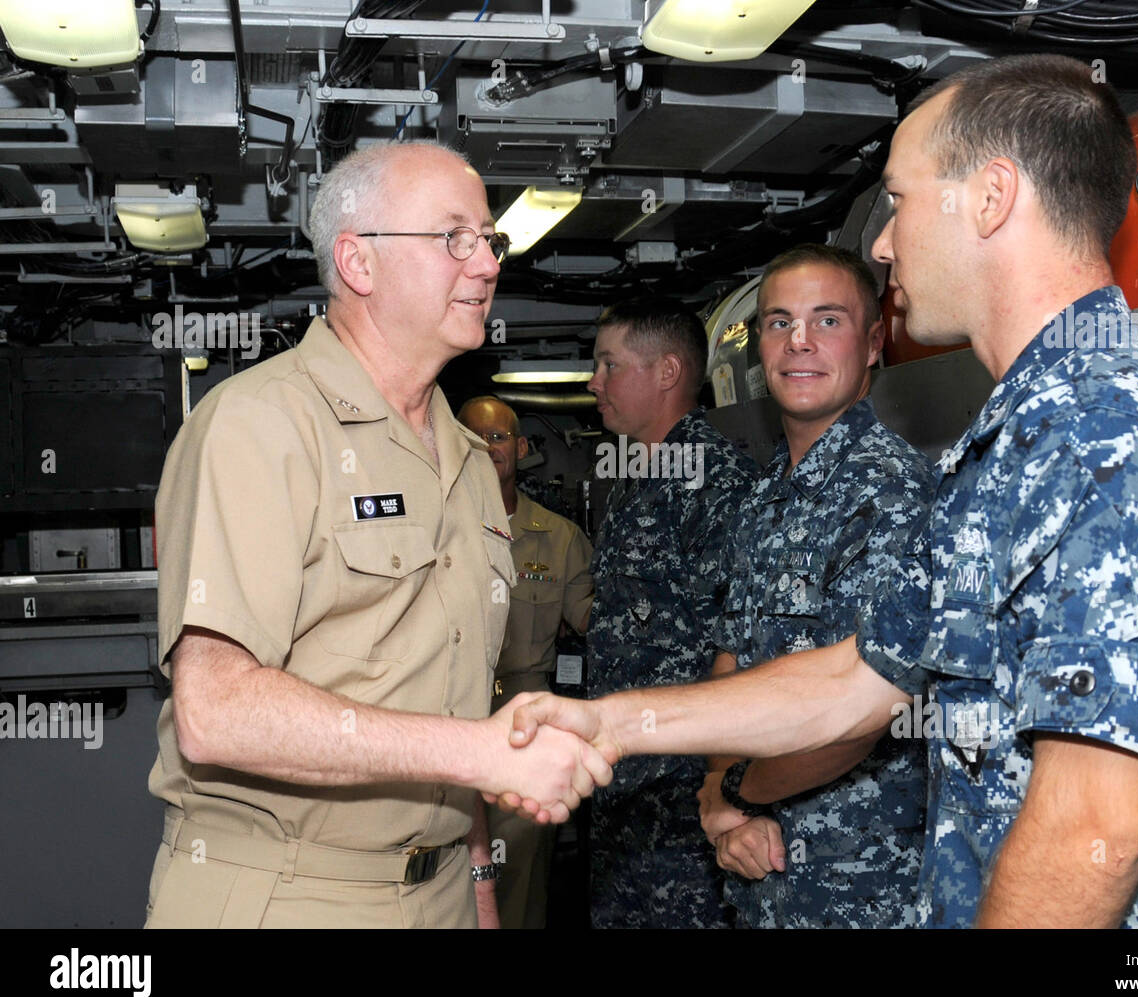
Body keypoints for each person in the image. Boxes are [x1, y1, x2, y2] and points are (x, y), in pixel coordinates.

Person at [502, 54, 1138, 928]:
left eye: (902, 200)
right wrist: (614, 724)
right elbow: (857, 679)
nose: (883, 243)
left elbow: (1093, 832)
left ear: (990, 199)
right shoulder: (1013, 445)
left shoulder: (1112, 431)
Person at [143, 140, 610, 930]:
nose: (488, 264)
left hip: (439, 891)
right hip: (289, 891)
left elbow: (448, 697)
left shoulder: (465, 458)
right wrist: (480, 755)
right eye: (454, 237)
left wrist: (479, 881)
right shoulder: (261, 424)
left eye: (490, 240)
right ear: (358, 264)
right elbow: (214, 709)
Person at [701, 243, 934, 928]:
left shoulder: (892, 494)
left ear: (873, 344)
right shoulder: (763, 496)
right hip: (757, 875)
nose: (798, 342)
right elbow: (731, 665)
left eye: (827, 321)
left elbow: (856, 715)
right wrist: (719, 804)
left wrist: (734, 794)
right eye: (778, 323)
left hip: (861, 888)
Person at [582, 296, 759, 928]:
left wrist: (722, 788)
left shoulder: (715, 482)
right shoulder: (637, 475)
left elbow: (738, 646)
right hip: (626, 789)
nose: (593, 382)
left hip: (684, 806)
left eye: (609, 365)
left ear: (667, 372)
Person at [457, 395, 595, 928]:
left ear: (519, 447)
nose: (488, 447)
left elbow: (598, 629)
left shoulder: (559, 540)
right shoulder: (431, 531)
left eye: (498, 437)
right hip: (442, 720)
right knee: (439, 881)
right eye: (474, 437)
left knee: (515, 885)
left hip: (523, 731)